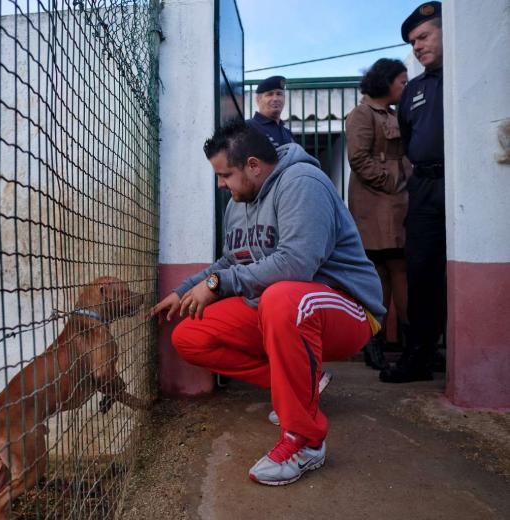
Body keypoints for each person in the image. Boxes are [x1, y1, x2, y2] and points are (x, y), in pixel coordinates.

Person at [149, 119, 384, 486]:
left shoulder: (302, 183)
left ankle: (305, 440)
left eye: (225, 175)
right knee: (190, 335)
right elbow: (231, 262)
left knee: (280, 297)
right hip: (282, 309)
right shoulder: (238, 203)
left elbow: (297, 264)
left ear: (253, 165)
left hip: (345, 307)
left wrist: (218, 284)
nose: (220, 185)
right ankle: (302, 385)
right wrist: (185, 290)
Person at [380, 1, 445, 383]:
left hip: (461, 182)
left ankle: (444, 349)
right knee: (420, 270)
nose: (417, 45)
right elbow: (407, 139)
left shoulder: (468, 77)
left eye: (423, 36)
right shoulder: (414, 91)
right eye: (412, 41)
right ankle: (418, 356)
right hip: (424, 187)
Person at [346, 58, 412, 370]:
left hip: (394, 200)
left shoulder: (391, 113)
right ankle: (376, 342)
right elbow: (358, 158)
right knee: (383, 270)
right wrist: (391, 180)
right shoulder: (361, 114)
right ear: (386, 82)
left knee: (395, 268)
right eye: (401, 81)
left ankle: (404, 341)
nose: (405, 86)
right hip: (375, 202)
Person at [246, 75, 294, 148]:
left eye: (279, 94)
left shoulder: (288, 133)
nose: (275, 99)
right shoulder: (247, 127)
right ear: (258, 100)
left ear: (284, 98)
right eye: (269, 94)